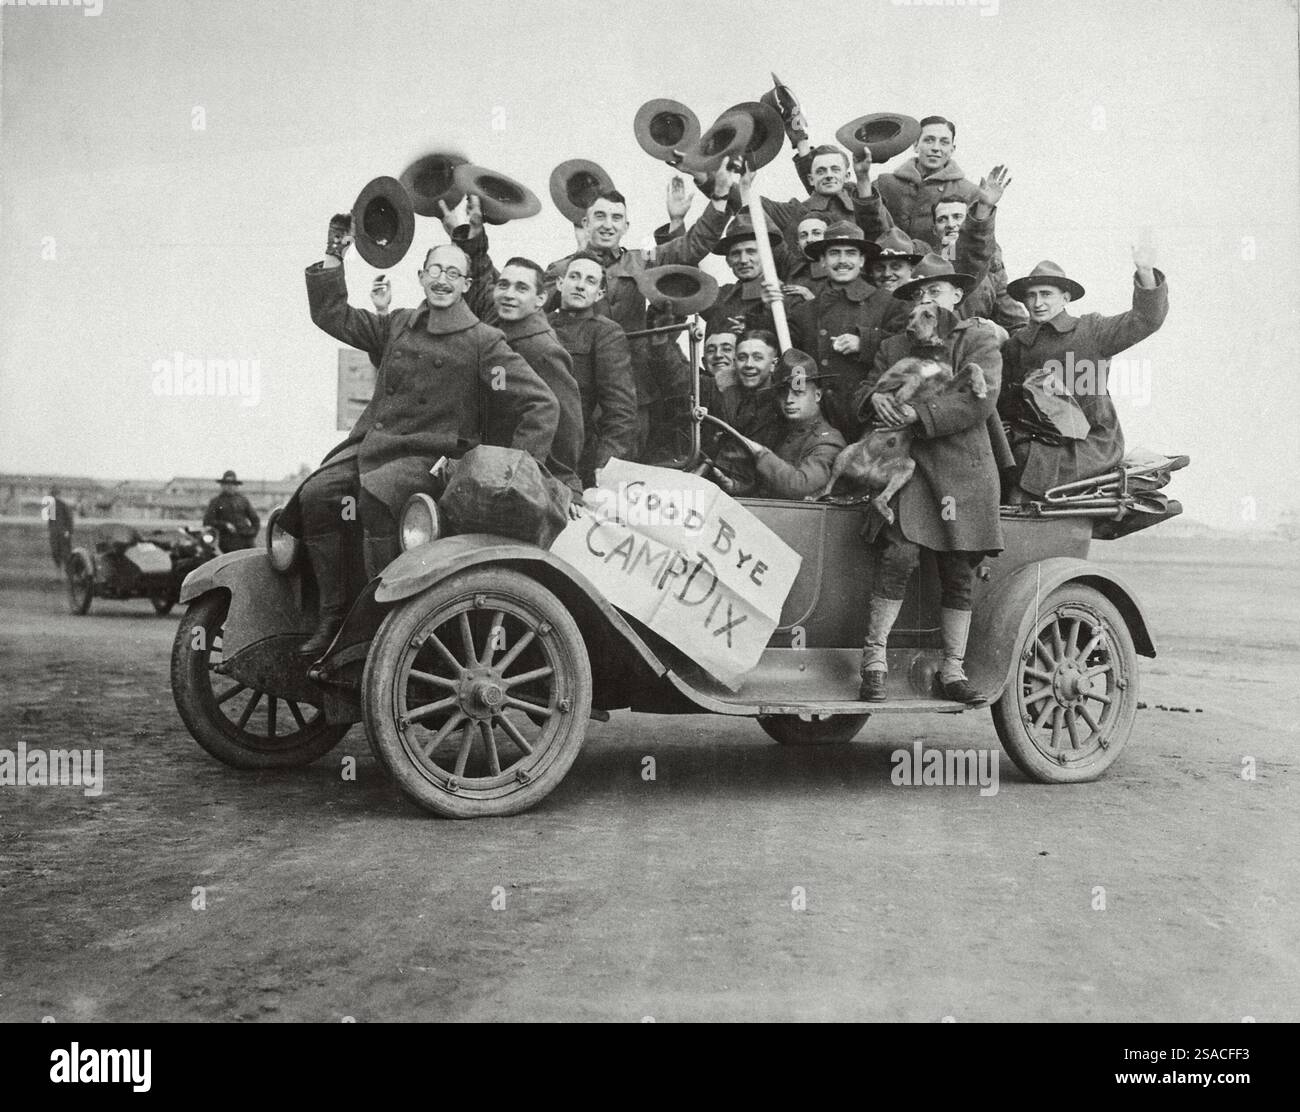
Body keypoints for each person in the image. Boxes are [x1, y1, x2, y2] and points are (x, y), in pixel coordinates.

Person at [293, 223, 558, 657]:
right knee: (316, 495)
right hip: (373, 448)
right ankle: (331, 617)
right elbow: (332, 315)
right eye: (435, 269)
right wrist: (335, 254)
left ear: (468, 286)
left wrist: (511, 471)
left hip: (433, 459)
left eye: (453, 274)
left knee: (374, 496)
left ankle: (382, 627)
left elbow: (540, 405)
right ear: (420, 276)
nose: (442, 279)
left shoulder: (484, 342)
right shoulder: (397, 324)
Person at [854, 256, 1007, 706]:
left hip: (964, 466)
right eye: (919, 293)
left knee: (959, 569)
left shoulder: (977, 339)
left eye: (935, 291)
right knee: (899, 553)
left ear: (957, 296)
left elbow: (978, 401)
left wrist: (918, 413)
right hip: (910, 466)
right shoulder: (894, 345)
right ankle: (874, 661)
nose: (926, 300)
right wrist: (875, 401)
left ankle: (952, 670)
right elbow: (864, 389)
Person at [545, 166, 743, 455]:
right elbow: (537, 313)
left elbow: (694, 246)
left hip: (634, 394)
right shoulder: (562, 270)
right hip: (577, 390)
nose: (607, 224)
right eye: (599, 216)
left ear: (626, 226)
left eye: (616, 218)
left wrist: (720, 198)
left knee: (627, 475)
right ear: (585, 222)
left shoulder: (642, 261)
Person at [1000, 250, 1169, 499]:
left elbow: (1146, 319)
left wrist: (1144, 272)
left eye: (1046, 294)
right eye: (1031, 296)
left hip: (1090, 443)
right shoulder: (1016, 346)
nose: (1038, 303)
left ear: (1065, 298)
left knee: (1026, 476)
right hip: (1035, 443)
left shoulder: (1091, 331)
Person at [783, 221, 911, 440]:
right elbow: (794, 366)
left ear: (861, 260)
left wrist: (865, 344)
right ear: (822, 261)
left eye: (851, 253)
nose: (842, 261)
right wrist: (799, 394)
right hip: (819, 428)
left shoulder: (890, 304)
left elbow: (906, 353)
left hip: (870, 424)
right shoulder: (803, 314)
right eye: (834, 254)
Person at [548, 251, 639, 487]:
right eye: (574, 277)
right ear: (560, 283)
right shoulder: (538, 326)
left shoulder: (605, 333)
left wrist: (605, 464)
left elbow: (621, 410)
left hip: (574, 457)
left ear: (599, 293)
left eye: (590, 281)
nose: (580, 286)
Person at [728, 354, 846, 500]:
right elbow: (769, 486)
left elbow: (800, 487)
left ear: (817, 395)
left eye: (798, 393)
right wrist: (736, 487)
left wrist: (761, 453)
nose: (789, 400)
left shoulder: (828, 441)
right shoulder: (779, 431)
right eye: (784, 393)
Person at [698, 330, 785, 496]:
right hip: (714, 485)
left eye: (757, 358)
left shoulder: (784, 406)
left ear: (773, 364)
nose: (748, 364)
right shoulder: (723, 393)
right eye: (742, 357)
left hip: (757, 499)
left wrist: (740, 488)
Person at [873, 116, 979, 247]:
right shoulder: (886, 184)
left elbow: (971, 244)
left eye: (944, 142)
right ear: (916, 145)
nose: (936, 148)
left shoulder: (968, 192)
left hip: (942, 263)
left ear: (952, 149)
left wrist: (943, 263)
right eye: (929, 140)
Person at [705, 213, 788, 338]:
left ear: (766, 256)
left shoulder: (783, 294)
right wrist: (676, 223)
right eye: (736, 254)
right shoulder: (720, 296)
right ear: (728, 261)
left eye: (751, 252)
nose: (743, 260)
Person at [203, 471, 260, 553]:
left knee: (254, 560)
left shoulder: (243, 500)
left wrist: (252, 533)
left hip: (245, 540)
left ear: (236, 486)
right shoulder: (215, 502)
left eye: (233, 484)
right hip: (225, 541)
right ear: (222, 486)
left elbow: (255, 519)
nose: (230, 487)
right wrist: (224, 525)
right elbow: (207, 521)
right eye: (227, 484)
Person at [44, 486, 74, 569]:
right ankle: (59, 574)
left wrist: (69, 531)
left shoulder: (63, 505)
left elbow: (69, 519)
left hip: (63, 533)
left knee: (65, 554)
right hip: (54, 533)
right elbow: (50, 521)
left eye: (54, 494)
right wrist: (49, 531)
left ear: (58, 495)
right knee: (55, 553)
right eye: (52, 495)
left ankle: (67, 574)